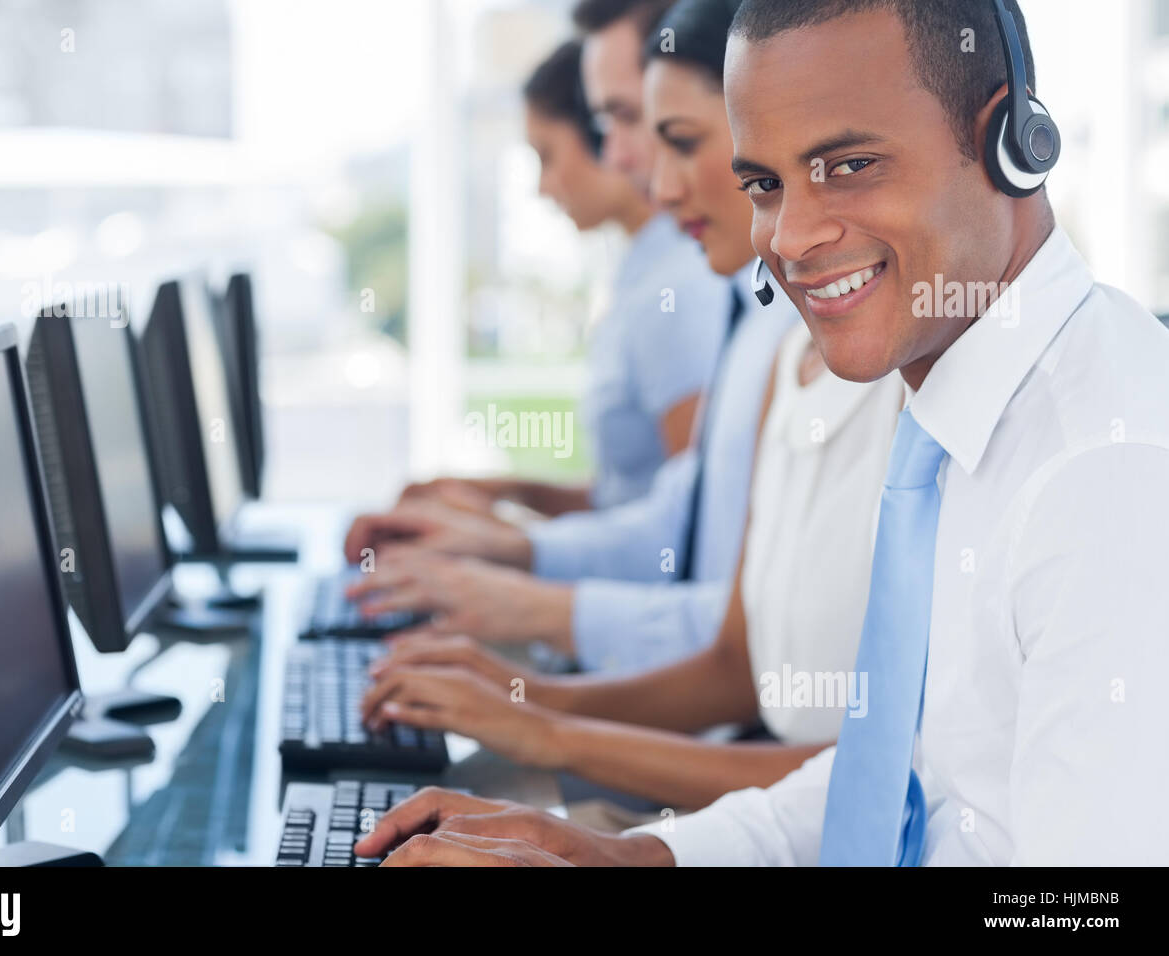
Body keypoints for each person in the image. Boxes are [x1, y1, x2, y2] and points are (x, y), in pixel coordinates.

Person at [356, 0, 1169, 866]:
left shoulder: (1104, 471)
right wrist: (630, 858)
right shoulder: (963, 408)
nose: (792, 236)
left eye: (850, 164)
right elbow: (908, 774)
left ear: (1011, 138)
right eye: (765, 185)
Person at [356, 0, 905, 813]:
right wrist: (521, 677)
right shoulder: (782, 346)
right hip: (745, 776)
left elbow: (873, 771)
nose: (644, 169)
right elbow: (724, 624)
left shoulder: (863, 363)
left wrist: (534, 681)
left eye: (667, 135)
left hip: (750, 779)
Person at [342, 0, 799, 675]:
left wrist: (530, 642)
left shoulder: (718, 302)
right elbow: (678, 517)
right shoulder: (744, 305)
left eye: (629, 120)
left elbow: (741, 636)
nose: (627, 158)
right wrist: (505, 543)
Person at [405, 37, 726, 516]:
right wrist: (507, 495)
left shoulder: (676, 288)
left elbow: (684, 526)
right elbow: (627, 497)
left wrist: (509, 553)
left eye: (547, 155)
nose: (540, 186)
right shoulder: (642, 274)